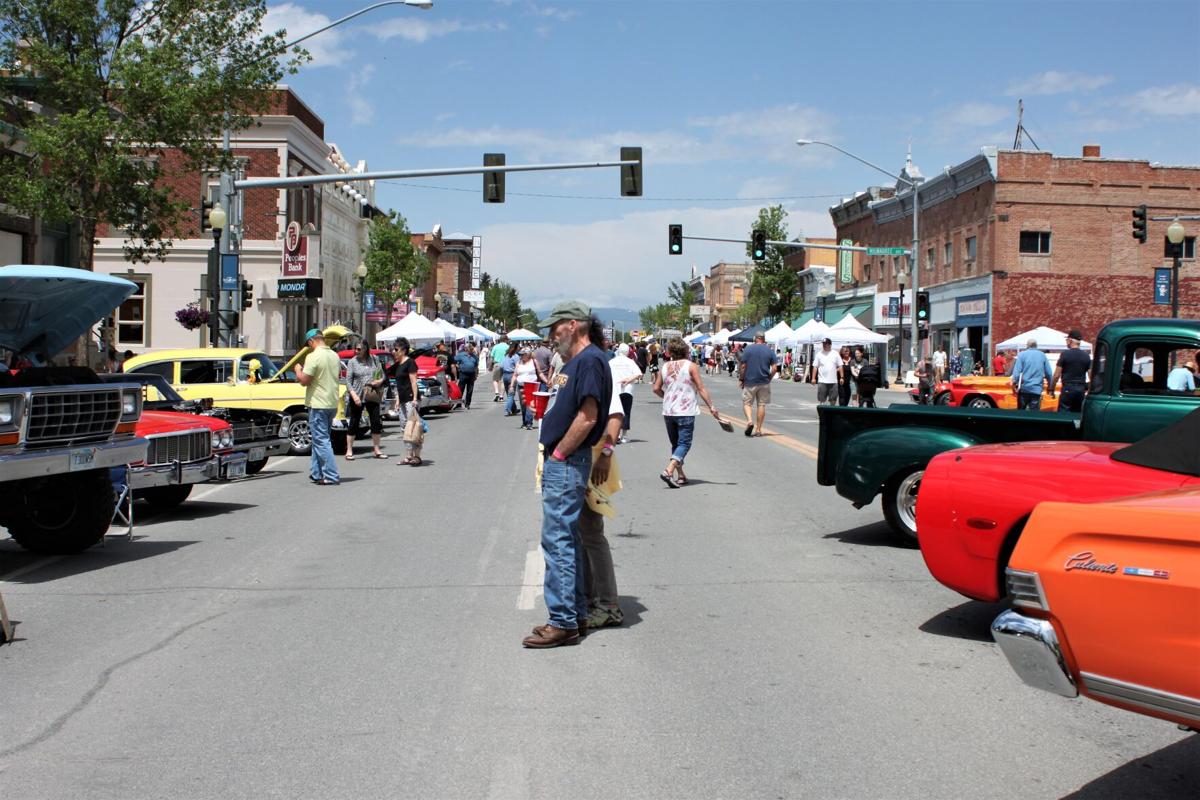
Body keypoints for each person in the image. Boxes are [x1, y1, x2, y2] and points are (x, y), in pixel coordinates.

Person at [524, 302, 612, 649]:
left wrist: (560, 452)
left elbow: (589, 416)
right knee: (567, 539)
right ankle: (573, 614)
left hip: (567, 459)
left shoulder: (589, 360)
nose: (551, 334)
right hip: (564, 459)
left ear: (574, 325)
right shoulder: (577, 362)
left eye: (556, 327)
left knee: (557, 539)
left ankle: (562, 621)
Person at [579, 321, 628, 631]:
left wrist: (607, 454)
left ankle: (607, 604)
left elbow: (615, 415)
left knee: (591, 533)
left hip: (593, 460)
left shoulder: (597, 366)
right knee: (582, 534)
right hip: (578, 461)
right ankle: (590, 597)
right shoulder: (579, 365)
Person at [654, 338, 723, 487]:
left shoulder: (664, 367)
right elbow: (701, 388)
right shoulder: (691, 366)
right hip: (685, 411)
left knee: (676, 444)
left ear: (670, 352)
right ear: (685, 350)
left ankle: (681, 476)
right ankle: (668, 470)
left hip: (668, 411)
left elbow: (656, 388)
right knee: (684, 443)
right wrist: (711, 406)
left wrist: (666, 396)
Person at [293, 328, 341, 485]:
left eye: (309, 345)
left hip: (318, 403)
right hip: (332, 402)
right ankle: (316, 472)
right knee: (319, 439)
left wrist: (298, 370)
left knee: (321, 440)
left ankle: (331, 475)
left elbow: (304, 380)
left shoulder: (313, 356)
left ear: (311, 341)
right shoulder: (334, 355)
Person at [343, 341, 386, 459]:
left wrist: (379, 381)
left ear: (366, 348)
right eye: (355, 349)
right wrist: (354, 395)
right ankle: (349, 450)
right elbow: (348, 381)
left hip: (372, 393)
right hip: (357, 394)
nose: (356, 351)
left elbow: (382, 375)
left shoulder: (374, 359)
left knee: (376, 421)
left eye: (359, 349)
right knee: (354, 422)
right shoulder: (352, 362)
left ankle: (377, 449)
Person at [388, 338, 422, 465]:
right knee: (404, 428)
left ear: (403, 350)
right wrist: (397, 399)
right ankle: (408, 456)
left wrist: (414, 398)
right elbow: (399, 384)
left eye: (396, 349)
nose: (394, 351)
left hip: (410, 399)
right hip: (402, 400)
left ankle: (417, 456)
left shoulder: (410, 363)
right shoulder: (398, 365)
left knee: (414, 428)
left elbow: (414, 381)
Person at [738, 333, 779, 436]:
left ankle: (750, 421)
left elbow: (743, 366)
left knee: (747, 403)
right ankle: (758, 429)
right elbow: (774, 368)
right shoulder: (769, 350)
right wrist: (769, 378)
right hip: (764, 381)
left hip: (750, 381)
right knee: (761, 404)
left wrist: (741, 378)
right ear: (764, 339)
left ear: (755, 339)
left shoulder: (748, 349)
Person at [609, 343, 641, 443]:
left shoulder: (612, 362)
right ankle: (624, 436)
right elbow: (639, 373)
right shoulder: (630, 362)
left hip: (615, 389)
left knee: (616, 412)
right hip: (628, 389)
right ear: (627, 352)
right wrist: (628, 379)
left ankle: (616, 434)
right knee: (626, 412)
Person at [1052, 330, 1091, 412]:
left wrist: (1051, 388)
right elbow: (1092, 376)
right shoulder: (1086, 356)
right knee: (1077, 415)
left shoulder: (1065, 354)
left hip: (1068, 388)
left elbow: (1056, 375)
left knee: (1063, 414)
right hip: (1081, 389)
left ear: (1070, 341)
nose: (1066, 342)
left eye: (1067, 340)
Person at [1011, 339, 1053, 410]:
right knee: (1034, 414)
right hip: (1037, 389)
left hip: (1024, 389)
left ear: (1027, 346)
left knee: (1021, 414)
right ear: (1036, 346)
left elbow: (1016, 373)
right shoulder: (1042, 355)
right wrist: (1050, 386)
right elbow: (1049, 373)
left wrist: (1014, 384)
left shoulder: (1022, 355)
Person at [510, 348, 539, 430]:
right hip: (521, 386)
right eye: (520, 354)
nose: (521, 356)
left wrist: (546, 381)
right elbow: (515, 375)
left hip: (531, 385)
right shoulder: (518, 363)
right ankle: (524, 422)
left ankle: (529, 423)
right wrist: (512, 385)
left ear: (528, 354)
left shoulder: (534, 362)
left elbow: (539, 373)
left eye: (523, 354)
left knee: (529, 404)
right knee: (523, 405)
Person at [811, 338, 842, 406]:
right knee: (822, 399)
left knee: (833, 399)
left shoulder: (835, 353)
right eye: (823, 344)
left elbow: (840, 365)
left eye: (826, 344)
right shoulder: (819, 354)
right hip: (822, 380)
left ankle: (831, 412)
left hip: (833, 381)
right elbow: (815, 367)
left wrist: (842, 377)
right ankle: (822, 412)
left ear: (830, 345)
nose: (824, 345)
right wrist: (813, 378)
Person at [454, 343, 479, 409]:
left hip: (472, 375)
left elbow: (476, 366)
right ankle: (458, 404)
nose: (472, 350)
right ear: (466, 349)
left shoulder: (474, 356)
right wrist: (458, 366)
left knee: (470, 390)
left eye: (472, 349)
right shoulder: (461, 355)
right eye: (470, 349)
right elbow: (454, 361)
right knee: (460, 389)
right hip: (463, 374)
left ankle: (467, 404)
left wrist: (476, 374)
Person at [489, 337, 509, 401]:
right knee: (503, 381)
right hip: (505, 364)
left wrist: (490, 366)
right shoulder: (508, 347)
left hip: (497, 364)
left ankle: (497, 392)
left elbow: (492, 357)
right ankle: (501, 396)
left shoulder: (495, 347)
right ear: (505, 340)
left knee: (495, 380)